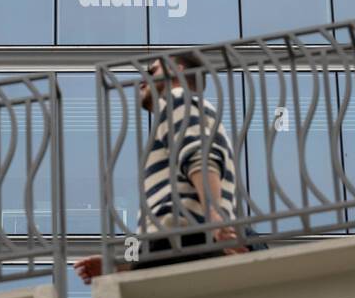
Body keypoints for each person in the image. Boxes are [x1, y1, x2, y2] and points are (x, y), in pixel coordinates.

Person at [74, 51, 249, 285]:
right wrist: (117, 265)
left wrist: (215, 218)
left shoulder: (178, 99)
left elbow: (199, 157)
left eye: (151, 71)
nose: (142, 79)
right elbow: (155, 224)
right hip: (183, 244)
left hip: (185, 242)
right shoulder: (187, 111)